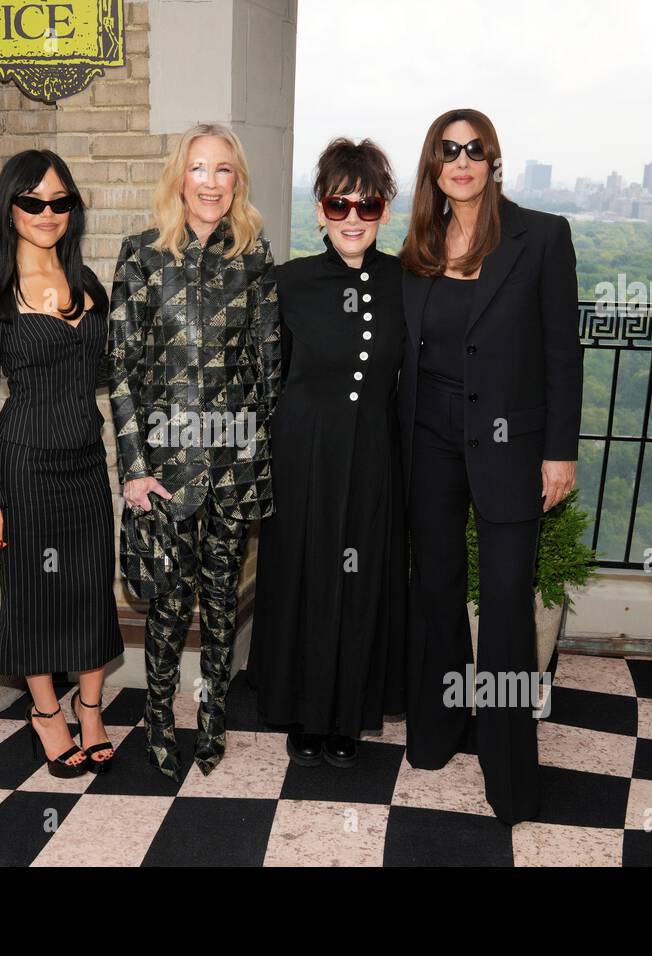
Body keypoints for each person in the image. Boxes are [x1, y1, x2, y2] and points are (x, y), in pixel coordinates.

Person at [398, 109, 581, 824]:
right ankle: (441, 728)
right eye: (449, 150)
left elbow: (563, 354)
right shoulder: (417, 244)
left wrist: (558, 450)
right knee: (434, 588)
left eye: (475, 150)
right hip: (428, 441)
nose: (462, 161)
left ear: (492, 160)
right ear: (434, 164)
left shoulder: (542, 236)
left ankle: (508, 769)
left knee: (505, 603)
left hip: (510, 443)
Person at [107, 122, 280, 781]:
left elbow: (270, 374)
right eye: (199, 168)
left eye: (224, 170)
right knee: (169, 605)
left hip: (232, 471)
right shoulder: (142, 255)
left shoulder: (255, 261)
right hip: (164, 472)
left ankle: (212, 720)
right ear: (180, 176)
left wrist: (254, 459)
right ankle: (157, 720)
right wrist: (134, 469)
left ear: (238, 182)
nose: (211, 182)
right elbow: (119, 369)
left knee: (219, 604)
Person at [0, 149, 123, 777]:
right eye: (33, 202)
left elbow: (107, 373)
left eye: (60, 202)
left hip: (86, 464)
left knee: (88, 591)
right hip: (24, 468)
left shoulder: (89, 288)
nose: (47, 213)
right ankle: (47, 715)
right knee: (31, 597)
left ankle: (90, 709)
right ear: (10, 210)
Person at [250, 137, 406, 769]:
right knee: (307, 576)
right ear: (319, 208)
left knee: (362, 579)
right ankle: (307, 712)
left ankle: (348, 715)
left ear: (384, 213)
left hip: (374, 453)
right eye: (339, 204)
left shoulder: (406, 282)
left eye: (366, 207)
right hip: (303, 453)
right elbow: (261, 378)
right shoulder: (287, 283)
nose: (351, 219)